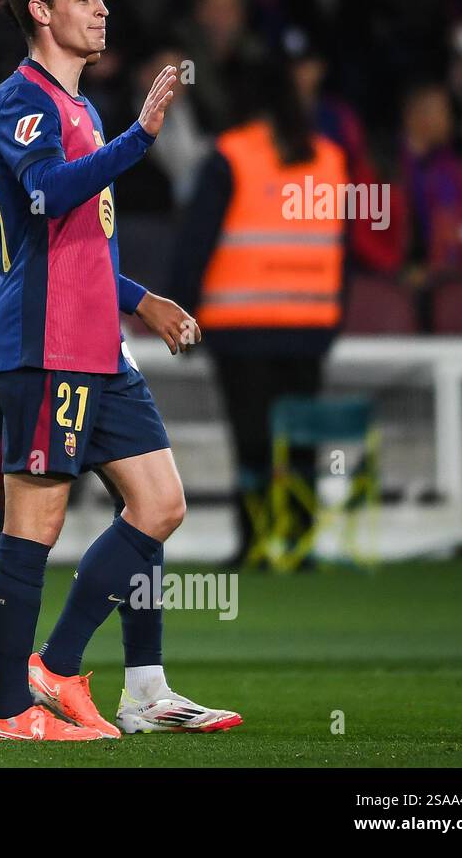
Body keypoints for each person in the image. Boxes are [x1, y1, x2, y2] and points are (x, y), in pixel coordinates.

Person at [0, 0, 242, 742]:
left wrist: (140, 298)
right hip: (41, 344)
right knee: (30, 526)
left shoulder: (82, 109)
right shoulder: (23, 102)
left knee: (161, 503)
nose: (102, 8)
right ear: (41, 12)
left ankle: (69, 665)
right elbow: (43, 198)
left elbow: (83, 253)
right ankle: (8, 705)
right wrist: (140, 139)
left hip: (97, 346)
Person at [170, 59, 349, 567]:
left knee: (253, 442)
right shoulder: (330, 160)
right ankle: (301, 541)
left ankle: (254, 543)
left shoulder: (231, 155)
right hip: (308, 326)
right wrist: (333, 317)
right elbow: (343, 250)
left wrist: (181, 317)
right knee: (301, 443)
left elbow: (195, 245)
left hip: (240, 328)